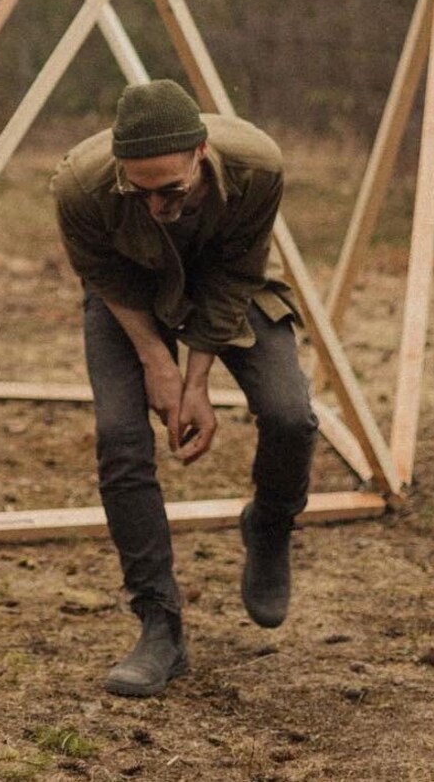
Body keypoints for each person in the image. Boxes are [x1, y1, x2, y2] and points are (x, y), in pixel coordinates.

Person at [52, 78, 318, 697]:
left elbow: (235, 275)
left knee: (291, 415)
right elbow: (102, 276)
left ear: (200, 154)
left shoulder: (257, 166)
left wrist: (195, 379)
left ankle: (271, 524)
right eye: (136, 191)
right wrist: (155, 360)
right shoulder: (78, 186)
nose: (154, 205)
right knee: (121, 439)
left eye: (169, 191)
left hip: (228, 283)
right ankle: (159, 628)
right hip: (128, 293)